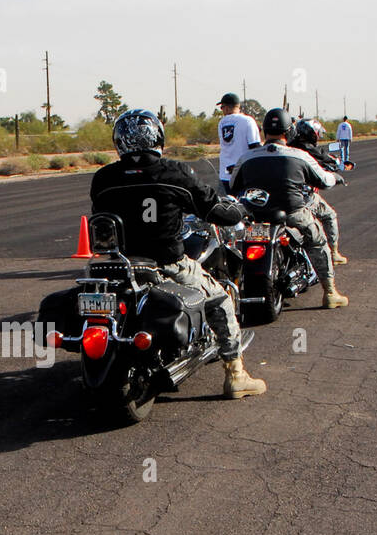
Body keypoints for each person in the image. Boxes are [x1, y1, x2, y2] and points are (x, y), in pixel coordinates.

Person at [89, 109, 265, 399]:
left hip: (121, 265)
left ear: (119, 140)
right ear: (157, 136)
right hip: (168, 264)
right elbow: (216, 211)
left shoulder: (104, 178)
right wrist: (242, 208)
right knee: (220, 300)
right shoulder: (175, 172)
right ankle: (236, 375)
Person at [230, 108, 348, 309]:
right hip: (293, 213)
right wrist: (335, 177)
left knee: (236, 245)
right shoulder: (300, 156)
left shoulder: (247, 158)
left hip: (256, 216)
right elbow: (324, 180)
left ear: (264, 130)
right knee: (317, 241)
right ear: (289, 131)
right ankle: (330, 292)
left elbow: (234, 185)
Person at [287, 118, 348, 265]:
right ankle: (333, 253)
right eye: (317, 133)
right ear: (311, 133)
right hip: (301, 195)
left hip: (278, 194)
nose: (318, 136)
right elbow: (324, 158)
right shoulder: (308, 149)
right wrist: (336, 165)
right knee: (329, 215)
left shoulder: (289, 145)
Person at [216, 92, 262, 195]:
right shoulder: (248, 121)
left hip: (225, 173)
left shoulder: (221, 123)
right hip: (243, 173)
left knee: (228, 206)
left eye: (222, 107)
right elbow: (255, 147)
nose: (222, 110)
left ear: (227, 108)